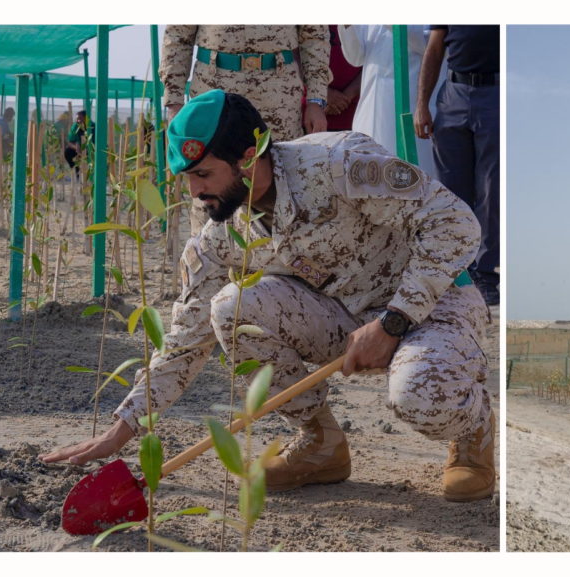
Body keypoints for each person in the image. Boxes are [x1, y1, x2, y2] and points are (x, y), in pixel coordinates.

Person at [39, 90, 496, 502]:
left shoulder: (339, 163)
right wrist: (124, 428)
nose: (195, 192)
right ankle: (322, 444)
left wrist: (395, 320)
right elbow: (185, 339)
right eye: (187, 179)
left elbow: (456, 224)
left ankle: (474, 430)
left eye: (203, 174)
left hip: (432, 308)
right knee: (230, 307)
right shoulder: (222, 232)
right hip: (349, 320)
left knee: (419, 396)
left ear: (249, 154)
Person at [159, 25, 333, 236]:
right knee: (207, 173)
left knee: (281, 179)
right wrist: (174, 101)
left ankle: (279, 260)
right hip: (213, 85)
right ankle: (211, 258)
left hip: (278, 90)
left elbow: (314, 34)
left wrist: (315, 100)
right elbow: (178, 33)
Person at [415, 26, 500, 306]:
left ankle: (484, 275)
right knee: (450, 192)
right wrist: (422, 105)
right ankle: (455, 272)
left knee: (490, 190)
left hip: (496, 95)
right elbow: (435, 48)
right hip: (453, 94)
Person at [338, 25, 445, 177]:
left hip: (413, 114)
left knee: (413, 183)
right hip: (369, 113)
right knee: (368, 182)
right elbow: (355, 57)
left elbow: (433, 45)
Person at [319, 25, 362, 132]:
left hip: (355, 112)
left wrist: (347, 96)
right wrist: (322, 91)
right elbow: (295, 57)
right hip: (313, 111)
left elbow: (373, 62)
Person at [64, 110, 95, 178]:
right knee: (68, 152)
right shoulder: (75, 126)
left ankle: (97, 174)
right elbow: (70, 142)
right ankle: (77, 171)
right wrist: (76, 147)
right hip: (79, 150)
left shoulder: (94, 127)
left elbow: (98, 143)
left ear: (86, 119)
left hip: (93, 150)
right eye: (77, 119)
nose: (78, 120)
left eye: (79, 118)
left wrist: (89, 149)